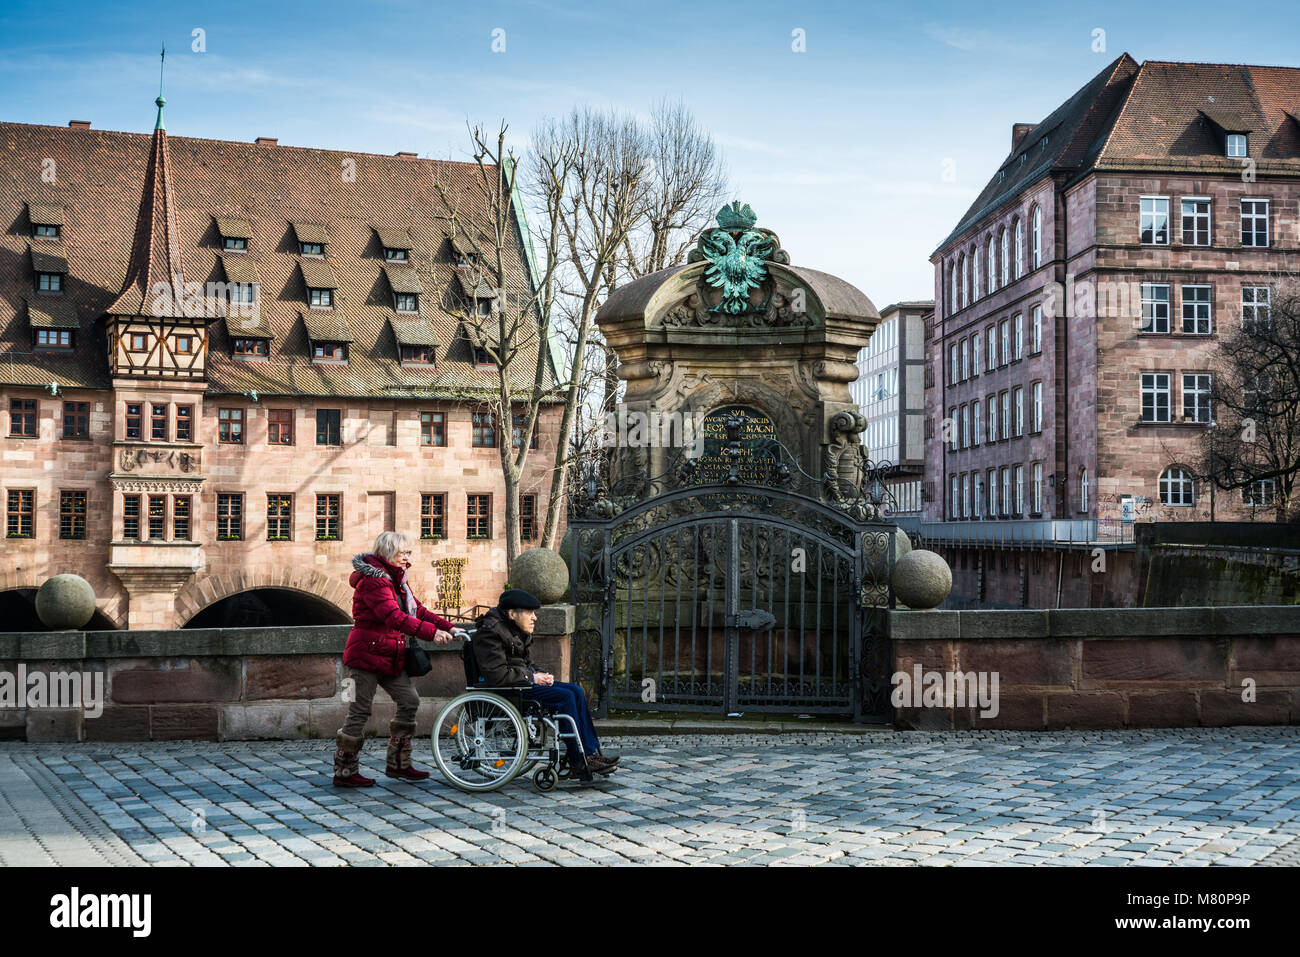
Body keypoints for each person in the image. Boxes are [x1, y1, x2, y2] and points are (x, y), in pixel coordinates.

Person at [333, 531, 465, 787]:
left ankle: (398, 763)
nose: (407, 559)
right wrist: (432, 633)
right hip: (366, 655)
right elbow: (394, 617)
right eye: (403, 553)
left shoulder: (397, 580)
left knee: (409, 700)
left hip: (390, 654)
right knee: (359, 710)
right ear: (387, 554)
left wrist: (449, 627)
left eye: (409, 553)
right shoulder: (374, 581)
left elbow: (419, 609)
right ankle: (345, 771)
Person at [474, 589, 618, 783]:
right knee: (564, 697)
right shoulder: (491, 632)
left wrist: (541, 674)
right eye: (530, 613)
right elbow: (496, 674)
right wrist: (533, 677)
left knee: (574, 690)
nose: (534, 618)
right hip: (507, 690)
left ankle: (590, 753)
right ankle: (578, 761)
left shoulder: (513, 629)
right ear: (512, 614)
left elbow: (523, 663)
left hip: (519, 683)